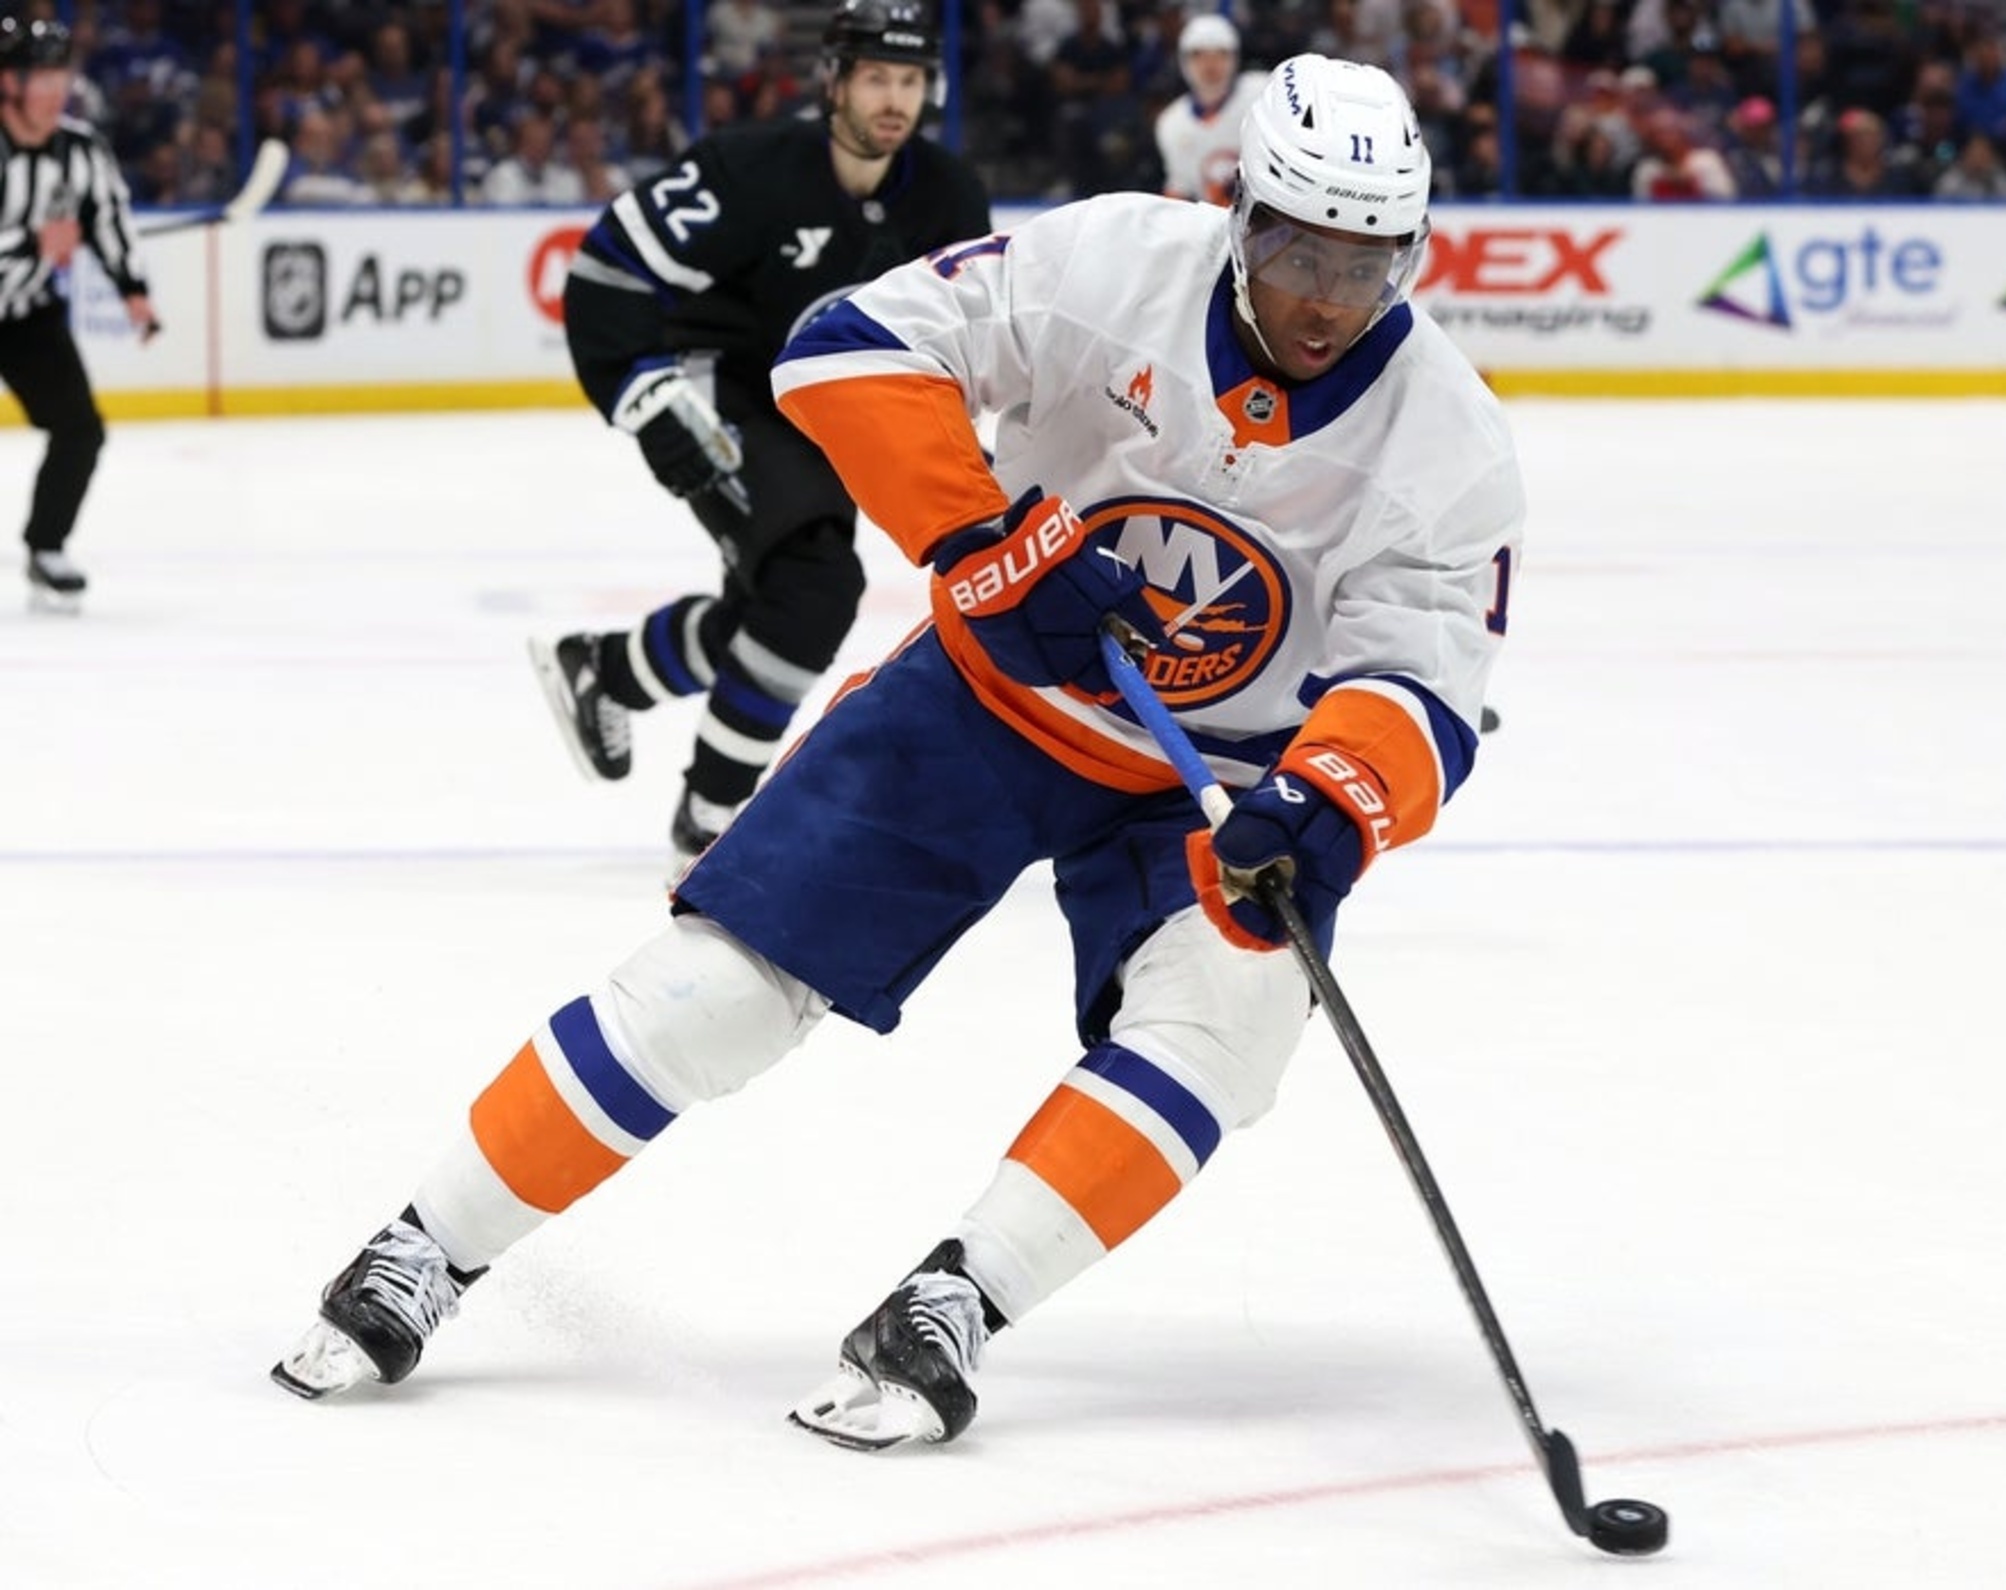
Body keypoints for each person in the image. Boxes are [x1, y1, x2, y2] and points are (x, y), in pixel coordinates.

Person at [272, 54, 1522, 1454]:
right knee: (719, 989)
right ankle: (423, 1247)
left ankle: (956, 1302)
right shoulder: (1107, 261)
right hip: (986, 701)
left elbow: (1423, 678)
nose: (1323, 298)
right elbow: (847, 342)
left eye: (1365, 264)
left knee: (1228, 1025)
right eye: (1295, 249)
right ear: (1238, 214)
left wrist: (1328, 803)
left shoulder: (1448, 440)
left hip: (1215, 777)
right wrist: (990, 545)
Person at [528, 0, 992, 858]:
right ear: (834, 82)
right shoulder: (751, 172)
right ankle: (710, 822)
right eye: (876, 78)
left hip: (827, 411)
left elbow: (960, 336)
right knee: (812, 586)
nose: (895, 99)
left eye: (911, 79)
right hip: (721, 389)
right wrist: (646, 393)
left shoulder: (947, 193)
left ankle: (611, 671)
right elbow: (607, 268)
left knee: (771, 602)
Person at [0, 14, 155, 615]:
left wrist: (132, 289)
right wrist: (31, 243)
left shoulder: (81, 150)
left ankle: (47, 546)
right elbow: (43, 238)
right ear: (8, 82)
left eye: (59, 73)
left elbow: (108, 219)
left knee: (80, 430)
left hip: (27, 313)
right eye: (40, 74)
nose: (54, 87)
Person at [1155, 11, 1267, 202]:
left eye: (1220, 54)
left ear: (1235, 57)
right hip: (1214, 225)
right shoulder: (1171, 123)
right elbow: (1179, 192)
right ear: (1183, 60)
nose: (1210, 65)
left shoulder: (1263, 92)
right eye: (1199, 55)